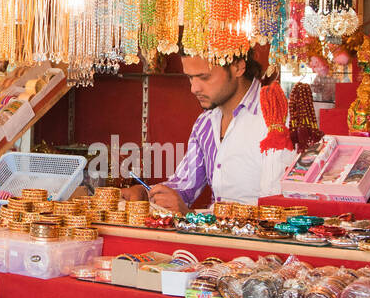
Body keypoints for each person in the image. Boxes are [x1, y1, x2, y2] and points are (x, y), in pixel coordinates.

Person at [126, 53, 296, 212]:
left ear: (238, 67)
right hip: (215, 240)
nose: (194, 88)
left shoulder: (277, 116)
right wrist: (146, 193)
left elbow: (284, 208)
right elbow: (185, 186)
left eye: (204, 77)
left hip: (263, 242)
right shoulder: (205, 123)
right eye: (190, 77)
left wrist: (190, 215)